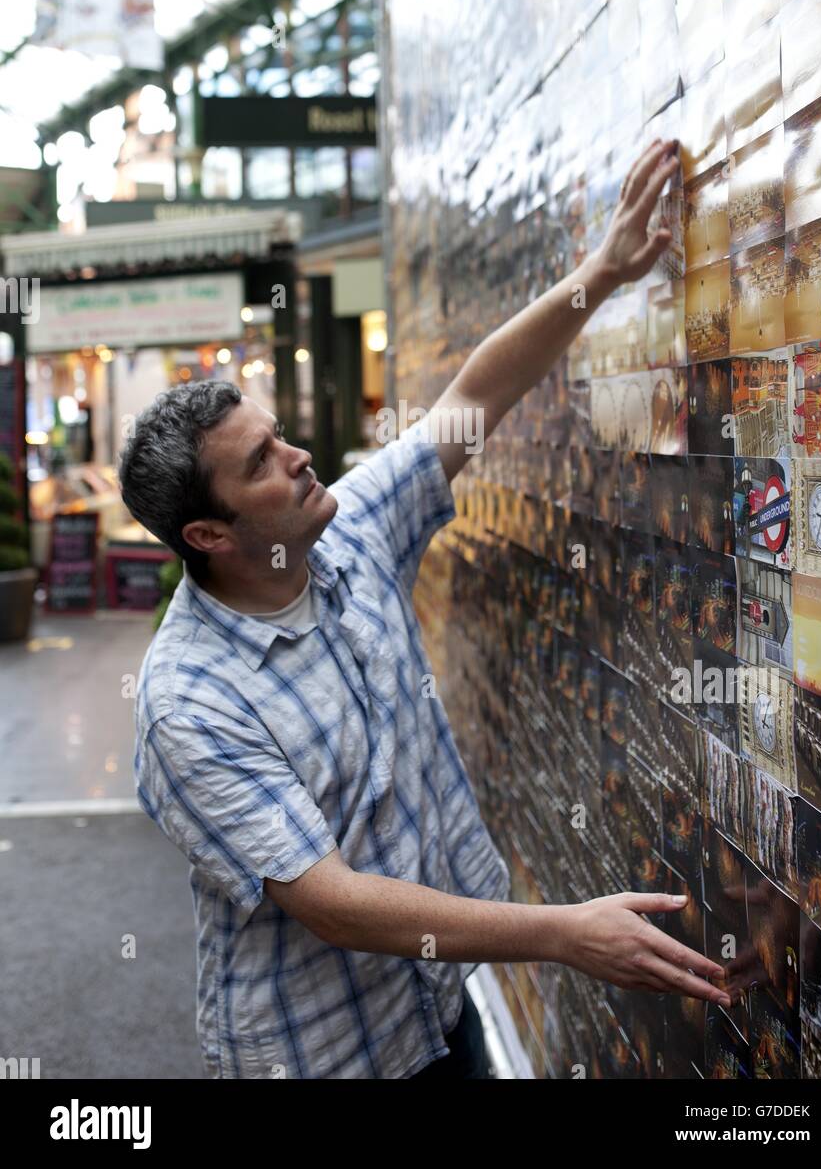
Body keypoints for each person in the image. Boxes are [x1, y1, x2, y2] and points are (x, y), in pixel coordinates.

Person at [118, 139, 731, 1081]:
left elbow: (475, 395)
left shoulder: (346, 532)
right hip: (323, 1055)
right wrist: (561, 935)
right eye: (262, 464)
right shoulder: (186, 701)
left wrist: (604, 271)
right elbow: (331, 901)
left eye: (278, 436)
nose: (300, 458)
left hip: (440, 1010)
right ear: (209, 535)